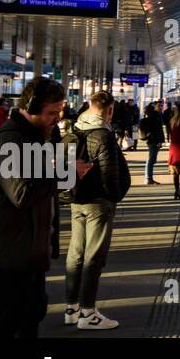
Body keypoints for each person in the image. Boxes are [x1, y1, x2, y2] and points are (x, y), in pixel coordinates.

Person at [0, 77, 66, 338]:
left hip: (25, 250)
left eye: (59, 111)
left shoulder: (32, 138)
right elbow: (22, 192)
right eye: (52, 112)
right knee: (4, 321)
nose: (57, 118)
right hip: (4, 252)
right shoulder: (10, 140)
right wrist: (63, 175)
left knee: (31, 314)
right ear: (33, 107)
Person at [61, 91, 130, 331]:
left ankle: (71, 308)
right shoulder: (103, 135)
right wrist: (114, 197)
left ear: (90, 105)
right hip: (98, 203)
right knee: (94, 257)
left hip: (76, 200)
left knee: (75, 253)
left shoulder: (74, 130)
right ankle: (89, 313)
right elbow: (110, 174)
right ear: (109, 110)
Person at [138, 104, 164, 185]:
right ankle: (148, 178)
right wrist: (160, 141)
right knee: (151, 160)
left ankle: (149, 178)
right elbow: (159, 131)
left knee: (151, 159)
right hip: (154, 141)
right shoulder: (156, 118)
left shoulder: (148, 119)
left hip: (151, 141)